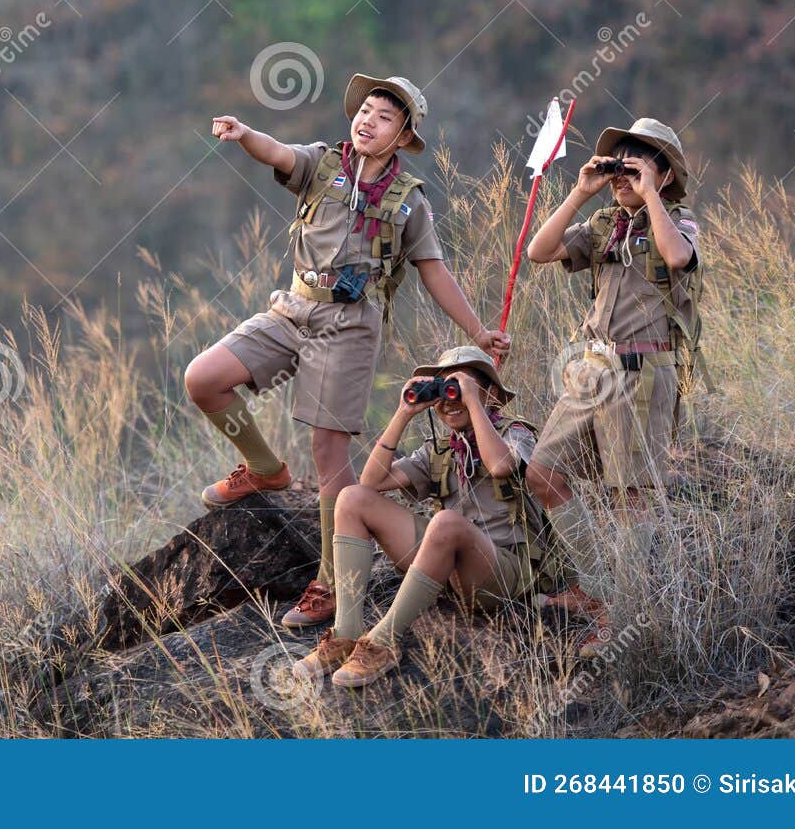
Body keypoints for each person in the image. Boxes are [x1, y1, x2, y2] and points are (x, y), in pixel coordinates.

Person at [186, 74, 511, 629]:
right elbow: (278, 152)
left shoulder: (410, 204)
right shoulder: (321, 163)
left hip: (351, 327)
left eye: (384, 116)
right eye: (364, 109)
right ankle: (265, 469)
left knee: (329, 452)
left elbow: (435, 272)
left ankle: (332, 583)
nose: (367, 120)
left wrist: (479, 332)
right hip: (293, 307)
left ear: (404, 135)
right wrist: (244, 134)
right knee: (204, 378)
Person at [521, 118, 704, 656]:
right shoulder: (604, 224)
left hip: (643, 372)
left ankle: (622, 614)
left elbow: (677, 259)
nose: (622, 172)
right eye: (616, 161)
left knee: (631, 499)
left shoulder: (680, 221)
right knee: (543, 474)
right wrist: (582, 190)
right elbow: (539, 250)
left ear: (665, 173)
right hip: (591, 369)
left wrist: (650, 197)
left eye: (636, 163)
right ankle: (598, 587)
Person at [292, 346, 552, 686]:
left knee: (445, 523)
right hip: (446, 571)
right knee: (352, 499)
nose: (450, 399)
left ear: (492, 395)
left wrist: (474, 403)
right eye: (443, 391)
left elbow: (501, 466)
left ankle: (383, 641)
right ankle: (345, 635)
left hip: (502, 575)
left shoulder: (515, 434)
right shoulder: (439, 450)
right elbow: (371, 483)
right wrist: (404, 413)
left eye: (460, 387)